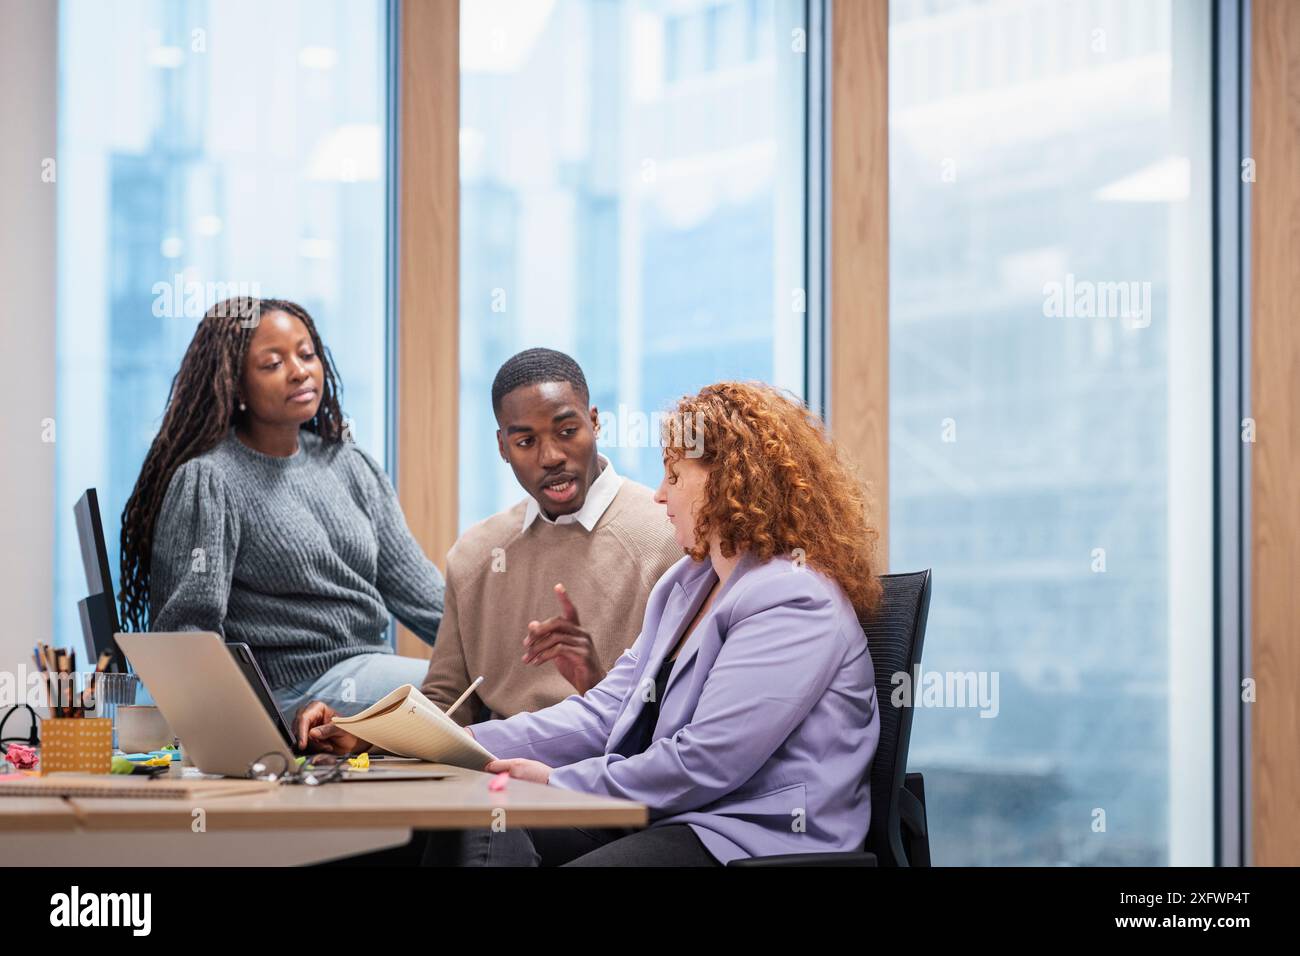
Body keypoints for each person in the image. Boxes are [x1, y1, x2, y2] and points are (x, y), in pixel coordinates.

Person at [436, 380, 885, 866]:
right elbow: (604, 711)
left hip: (752, 838)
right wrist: (455, 744)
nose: (658, 495)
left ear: (728, 479)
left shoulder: (793, 598)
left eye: (674, 476)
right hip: (677, 813)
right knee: (475, 818)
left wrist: (555, 781)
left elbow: (706, 761)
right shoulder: (686, 583)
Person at [298, 348, 682, 750]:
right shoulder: (476, 554)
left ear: (596, 423)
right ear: (502, 447)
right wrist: (363, 735)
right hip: (493, 783)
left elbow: (677, 719)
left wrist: (594, 679)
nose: (550, 457)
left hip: (603, 783)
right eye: (525, 441)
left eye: (567, 431)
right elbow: (446, 704)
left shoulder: (667, 537)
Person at [118, 297, 445, 719]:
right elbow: (187, 632)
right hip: (290, 692)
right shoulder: (211, 480)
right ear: (235, 384)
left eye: (307, 354)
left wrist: (516, 657)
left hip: (366, 671)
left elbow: (422, 595)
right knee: (475, 701)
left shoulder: (349, 463)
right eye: (273, 364)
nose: (299, 371)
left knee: (504, 688)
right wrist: (233, 739)